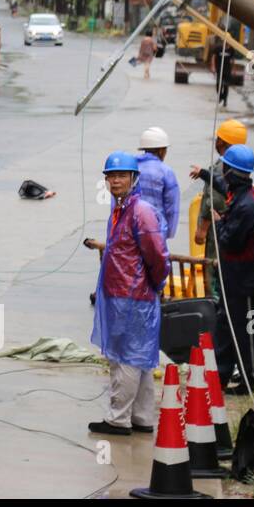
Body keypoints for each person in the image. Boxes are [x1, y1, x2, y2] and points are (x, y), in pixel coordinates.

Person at [84, 152, 171, 435]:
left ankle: (118, 418)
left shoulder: (140, 211)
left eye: (121, 175)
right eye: (111, 176)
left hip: (132, 296)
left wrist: (155, 284)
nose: (115, 180)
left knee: (125, 359)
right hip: (122, 294)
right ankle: (142, 417)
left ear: (134, 178)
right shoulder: (120, 208)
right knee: (141, 358)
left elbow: (157, 255)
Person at [209, 144, 254, 393]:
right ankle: (232, 376)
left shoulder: (246, 205)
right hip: (240, 277)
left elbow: (230, 240)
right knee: (234, 325)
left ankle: (247, 380)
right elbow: (224, 188)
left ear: (231, 171)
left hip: (242, 278)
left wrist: (219, 223)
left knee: (241, 328)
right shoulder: (245, 195)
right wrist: (203, 174)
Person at [190, 118, 248, 248]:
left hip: (216, 226)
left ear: (222, 141)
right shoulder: (239, 163)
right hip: (231, 224)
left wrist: (202, 229)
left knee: (214, 263)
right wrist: (203, 173)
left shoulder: (221, 166)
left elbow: (214, 200)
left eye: (218, 138)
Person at [136, 127, 180, 241]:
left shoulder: (131, 168)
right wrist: (169, 232)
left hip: (132, 230)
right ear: (161, 151)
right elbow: (172, 206)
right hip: (156, 232)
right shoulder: (166, 171)